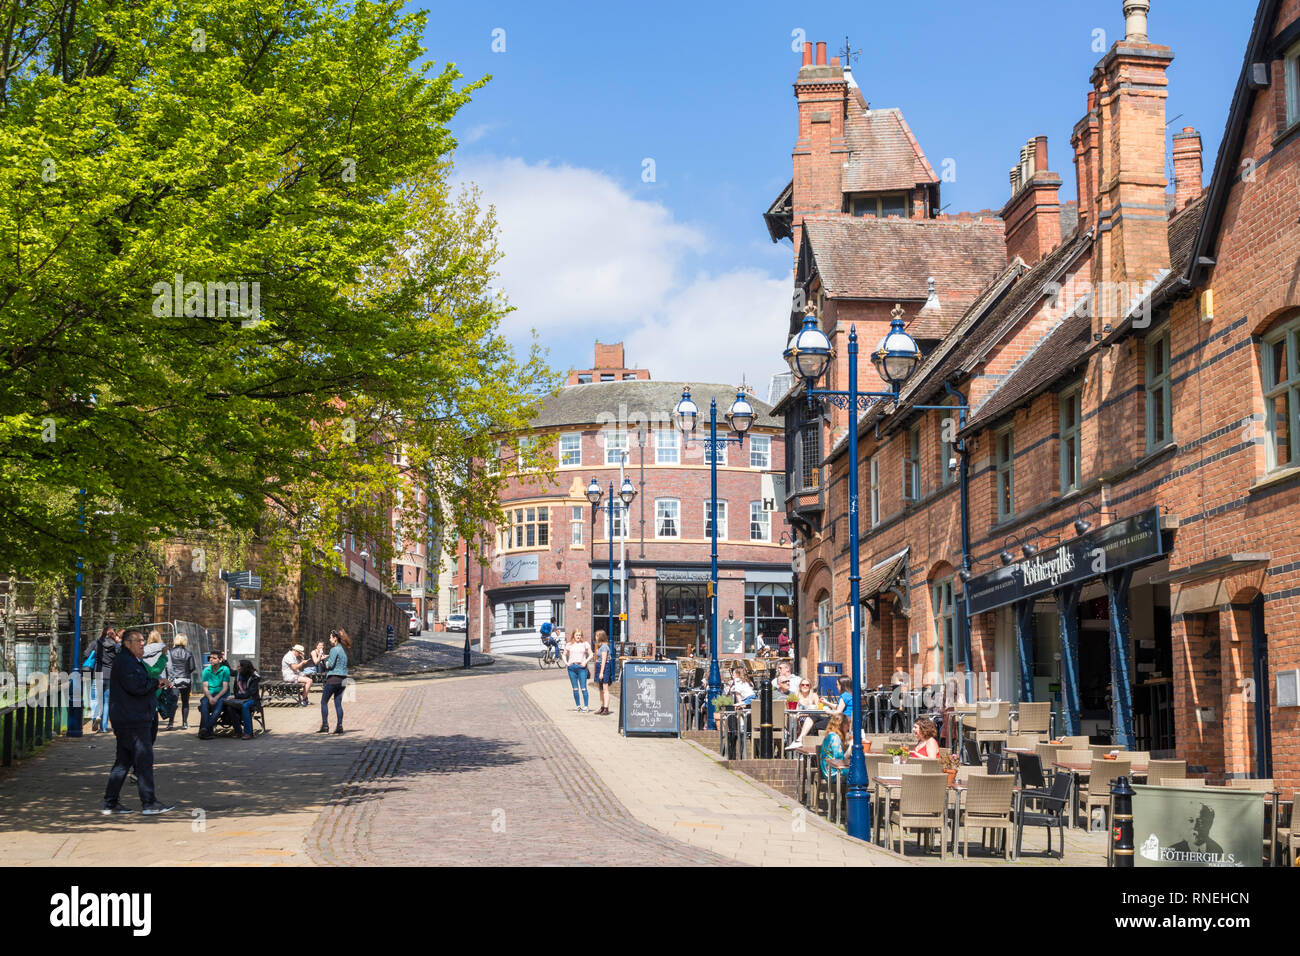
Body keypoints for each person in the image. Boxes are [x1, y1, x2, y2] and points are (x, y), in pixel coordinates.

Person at [101, 629, 175, 815]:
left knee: (123, 762)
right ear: (127, 643)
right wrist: (156, 683)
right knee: (143, 761)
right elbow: (137, 686)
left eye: (143, 640)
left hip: (128, 717)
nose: (142, 644)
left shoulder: (131, 661)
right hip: (133, 719)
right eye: (138, 641)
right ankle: (149, 803)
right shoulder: (127, 662)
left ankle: (111, 803)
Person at [318, 629, 349, 734]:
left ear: (335, 638)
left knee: (323, 702)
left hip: (333, 679)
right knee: (338, 703)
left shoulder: (334, 649)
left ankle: (325, 726)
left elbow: (330, 665)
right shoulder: (343, 651)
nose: (329, 639)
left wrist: (324, 660)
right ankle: (340, 726)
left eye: (330, 637)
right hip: (343, 679)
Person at [786, 679, 832, 749]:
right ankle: (799, 744)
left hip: (812, 718)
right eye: (803, 685)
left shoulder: (813, 695)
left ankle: (802, 745)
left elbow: (818, 708)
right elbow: (794, 710)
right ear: (800, 686)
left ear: (810, 687)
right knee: (797, 720)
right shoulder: (796, 695)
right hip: (799, 718)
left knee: (811, 723)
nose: (805, 686)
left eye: (807, 685)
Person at [223, 660, 262, 740]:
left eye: (239, 666)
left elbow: (249, 694)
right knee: (230, 707)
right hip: (239, 698)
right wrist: (224, 661)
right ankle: (238, 731)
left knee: (245, 706)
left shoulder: (254, 677)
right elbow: (230, 671)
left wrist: (235, 696)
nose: (237, 667)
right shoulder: (238, 673)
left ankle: (248, 733)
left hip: (252, 699)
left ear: (244, 668)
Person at [91, 626, 120, 733]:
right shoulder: (116, 646)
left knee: (95, 699)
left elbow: (85, 653)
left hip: (98, 674)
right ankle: (104, 727)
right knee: (106, 702)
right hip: (110, 675)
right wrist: (117, 641)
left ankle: (95, 718)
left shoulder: (96, 643)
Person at [197, 651, 231, 740]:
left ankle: (205, 728)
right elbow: (205, 687)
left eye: (214, 658)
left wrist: (215, 698)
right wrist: (210, 697)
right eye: (210, 658)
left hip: (221, 695)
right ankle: (207, 731)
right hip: (210, 694)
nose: (211, 659)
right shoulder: (206, 670)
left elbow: (225, 688)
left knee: (219, 704)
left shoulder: (225, 670)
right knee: (204, 703)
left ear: (220, 660)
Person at [164, 635, 196, 730]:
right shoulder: (189, 653)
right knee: (185, 702)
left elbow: (167, 667)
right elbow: (192, 667)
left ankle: (170, 723)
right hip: (186, 679)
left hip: (174, 680)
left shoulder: (170, 652)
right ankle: (185, 723)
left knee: (173, 702)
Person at [562, 628, 592, 712]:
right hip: (571, 668)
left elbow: (591, 654)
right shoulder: (569, 644)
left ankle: (586, 706)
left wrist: (585, 662)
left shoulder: (585, 644)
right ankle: (578, 706)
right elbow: (564, 655)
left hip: (581, 668)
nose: (578, 637)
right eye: (577, 635)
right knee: (575, 688)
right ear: (573, 636)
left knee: (583, 688)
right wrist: (566, 663)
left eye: (579, 635)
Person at [819, 714, 849, 781]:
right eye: (847, 724)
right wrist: (850, 749)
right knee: (857, 771)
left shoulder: (830, 735)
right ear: (841, 725)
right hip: (834, 774)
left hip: (827, 771)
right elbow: (839, 760)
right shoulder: (835, 738)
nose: (848, 727)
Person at [592, 630, 614, 715]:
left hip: (604, 667)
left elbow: (604, 660)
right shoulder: (599, 646)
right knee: (600, 689)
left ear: (601, 637)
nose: (595, 637)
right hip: (599, 666)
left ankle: (606, 708)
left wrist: (601, 672)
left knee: (605, 689)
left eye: (597, 636)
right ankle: (602, 707)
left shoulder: (604, 646)